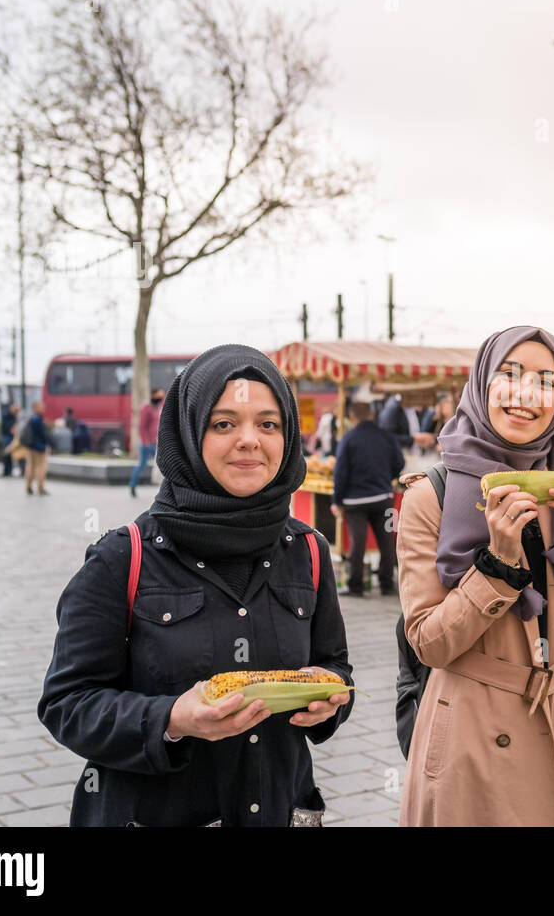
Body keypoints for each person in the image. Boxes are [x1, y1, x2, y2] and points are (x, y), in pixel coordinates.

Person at [37, 343, 354, 826]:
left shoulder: (307, 551)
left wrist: (329, 702)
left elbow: (334, 666)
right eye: (223, 424)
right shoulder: (123, 558)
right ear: (187, 433)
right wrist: (171, 720)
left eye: (268, 424)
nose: (249, 440)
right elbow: (67, 703)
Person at [394, 324, 554, 826]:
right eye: (509, 375)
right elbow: (429, 644)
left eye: (546, 381)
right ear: (482, 384)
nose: (526, 393)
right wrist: (498, 562)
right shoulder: (431, 496)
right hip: (475, 736)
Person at [330, 399, 404, 597]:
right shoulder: (387, 437)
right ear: (371, 415)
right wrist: (387, 477)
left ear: (352, 417)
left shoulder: (348, 439)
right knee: (387, 542)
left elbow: (340, 473)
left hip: (355, 502)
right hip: (384, 499)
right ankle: (387, 584)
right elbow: (399, 462)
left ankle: (356, 586)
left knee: (358, 543)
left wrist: (336, 500)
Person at [129, 388, 164, 498]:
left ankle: (162, 490)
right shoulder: (146, 408)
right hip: (147, 443)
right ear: (153, 395)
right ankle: (132, 485)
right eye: (159, 395)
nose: (161, 398)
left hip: (157, 442)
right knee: (142, 464)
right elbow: (142, 427)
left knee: (162, 465)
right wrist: (146, 442)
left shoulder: (159, 407)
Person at [25, 401, 51, 496]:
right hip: (39, 447)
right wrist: (47, 444)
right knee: (41, 467)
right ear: (35, 408)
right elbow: (43, 434)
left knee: (30, 466)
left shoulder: (31, 418)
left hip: (31, 446)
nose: (43, 408)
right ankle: (40, 488)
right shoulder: (38, 419)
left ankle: (28, 486)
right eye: (41, 406)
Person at [0, 403, 19, 477]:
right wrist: (11, 428)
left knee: (10, 455)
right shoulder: (6, 415)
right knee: (7, 454)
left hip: (11, 437)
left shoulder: (14, 416)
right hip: (7, 436)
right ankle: (6, 471)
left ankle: (9, 471)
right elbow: (5, 427)